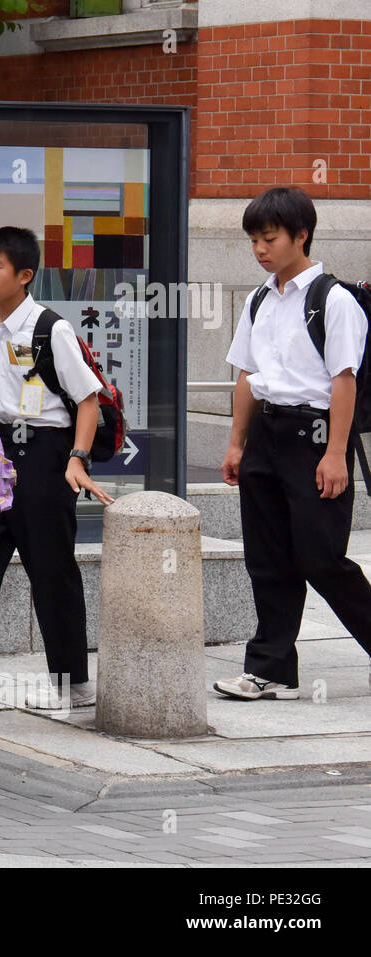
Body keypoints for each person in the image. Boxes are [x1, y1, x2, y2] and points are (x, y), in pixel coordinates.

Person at [0, 227, 113, 711]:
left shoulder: (49, 328)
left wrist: (77, 459)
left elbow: (88, 399)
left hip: (46, 456)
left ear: (24, 275)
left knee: (51, 569)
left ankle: (73, 682)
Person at [217, 186, 371, 700]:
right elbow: (247, 374)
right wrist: (238, 443)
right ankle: (270, 669)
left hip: (316, 436)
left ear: (300, 235)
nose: (260, 249)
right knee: (268, 558)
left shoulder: (334, 299)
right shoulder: (260, 299)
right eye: (254, 240)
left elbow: (344, 380)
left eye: (270, 238)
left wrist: (335, 454)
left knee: (321, 557)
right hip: (266, 434)